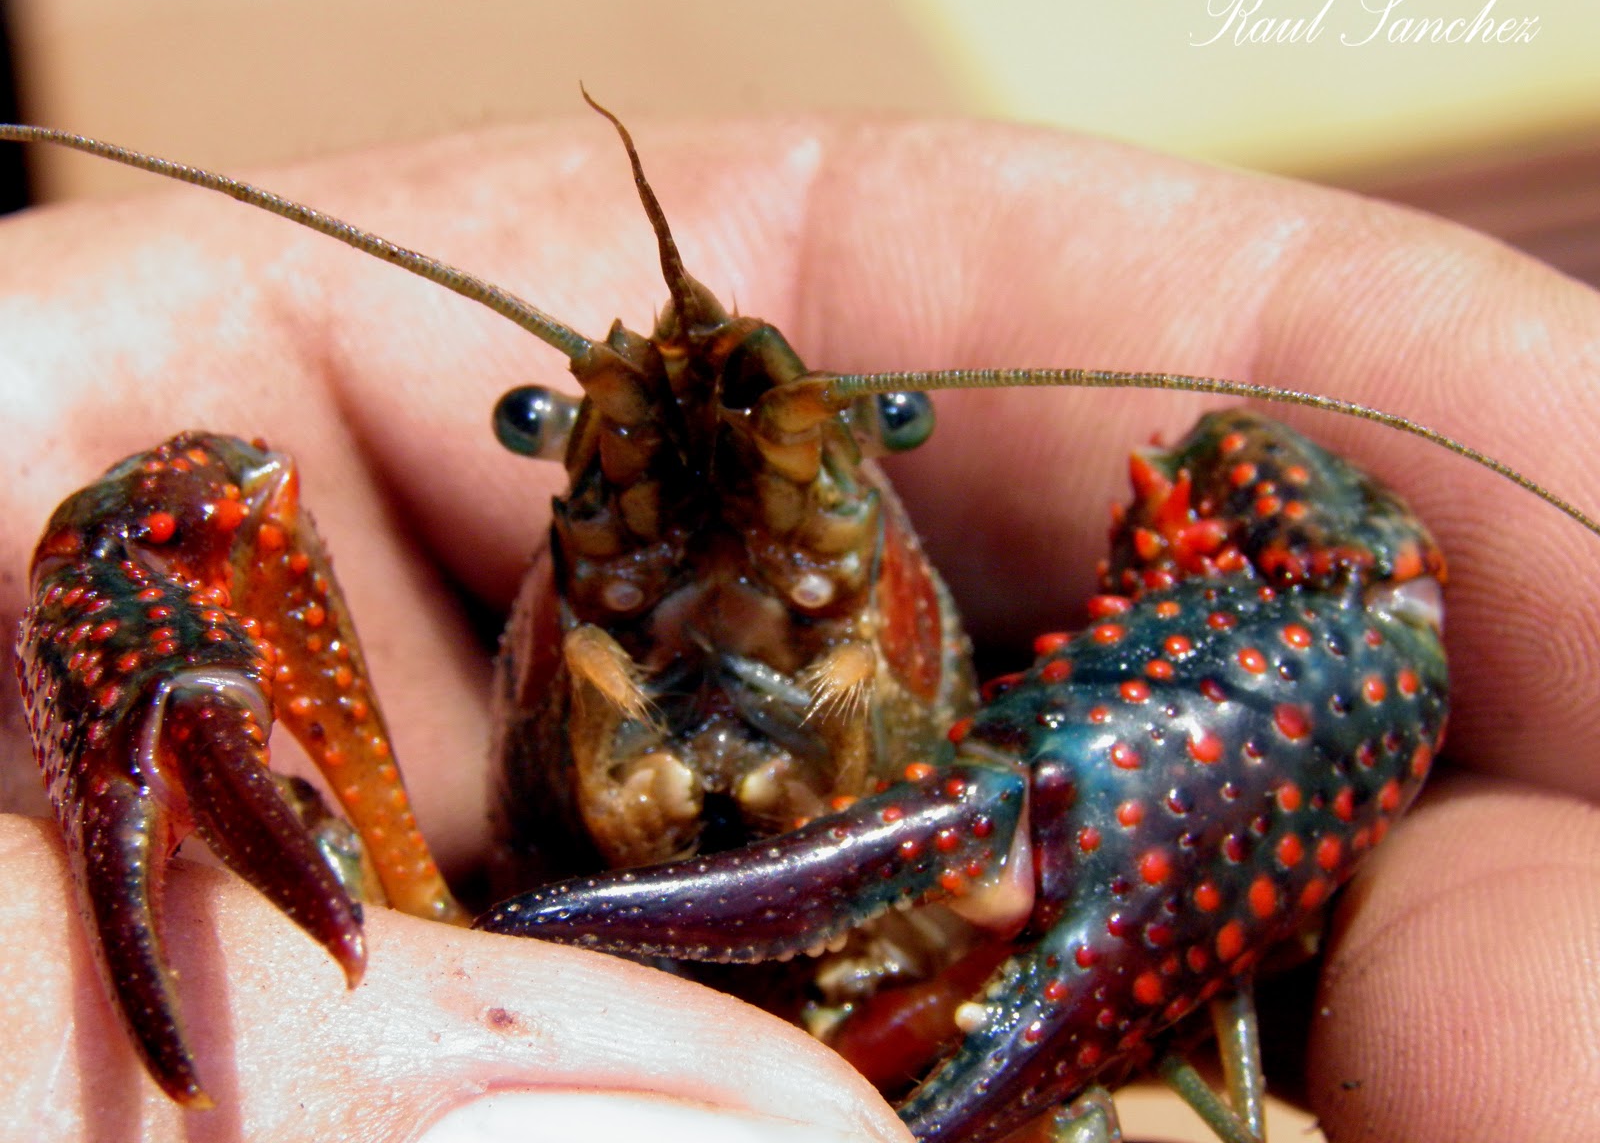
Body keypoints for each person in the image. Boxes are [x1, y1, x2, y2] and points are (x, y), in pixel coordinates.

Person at [0, 117, 1595, 1143]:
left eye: (812, 526)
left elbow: (1342, 602)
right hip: (460, 924)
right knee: (177, 508)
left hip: (968, 978)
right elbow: (140, 533)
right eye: (614, 497)